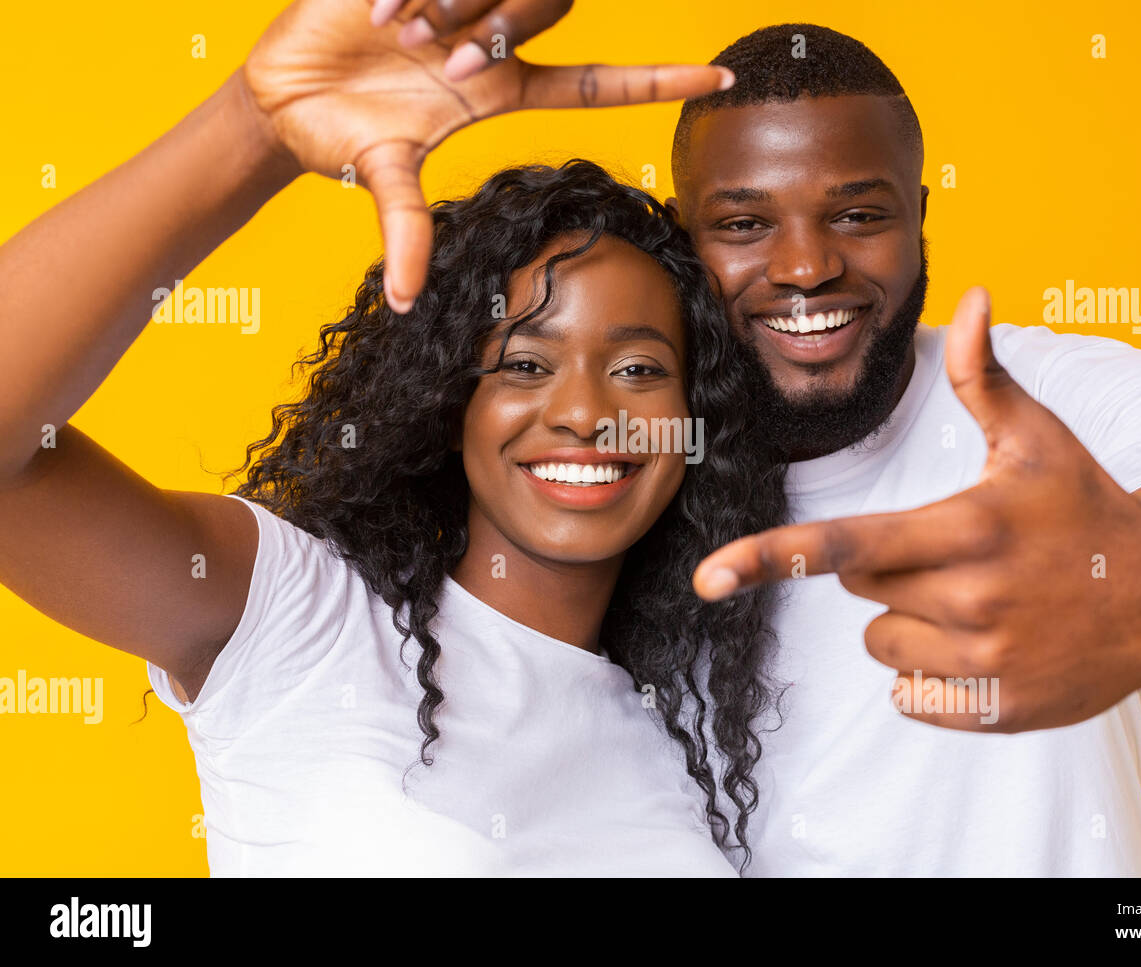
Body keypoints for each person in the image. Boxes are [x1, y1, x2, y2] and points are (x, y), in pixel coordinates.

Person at [377, 6, 1141, 875]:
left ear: (922, 218)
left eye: (858, 215)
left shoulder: (1068, 403)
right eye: (744, 225)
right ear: (683, 239)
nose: (807, 269)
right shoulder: (617, 468)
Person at [0, 1, 792, 875]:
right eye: (525, 365)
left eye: (640, 369)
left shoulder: (679, 758)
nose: (582, 411)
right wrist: (255, 130)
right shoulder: (305, 618)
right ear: (451, 402)